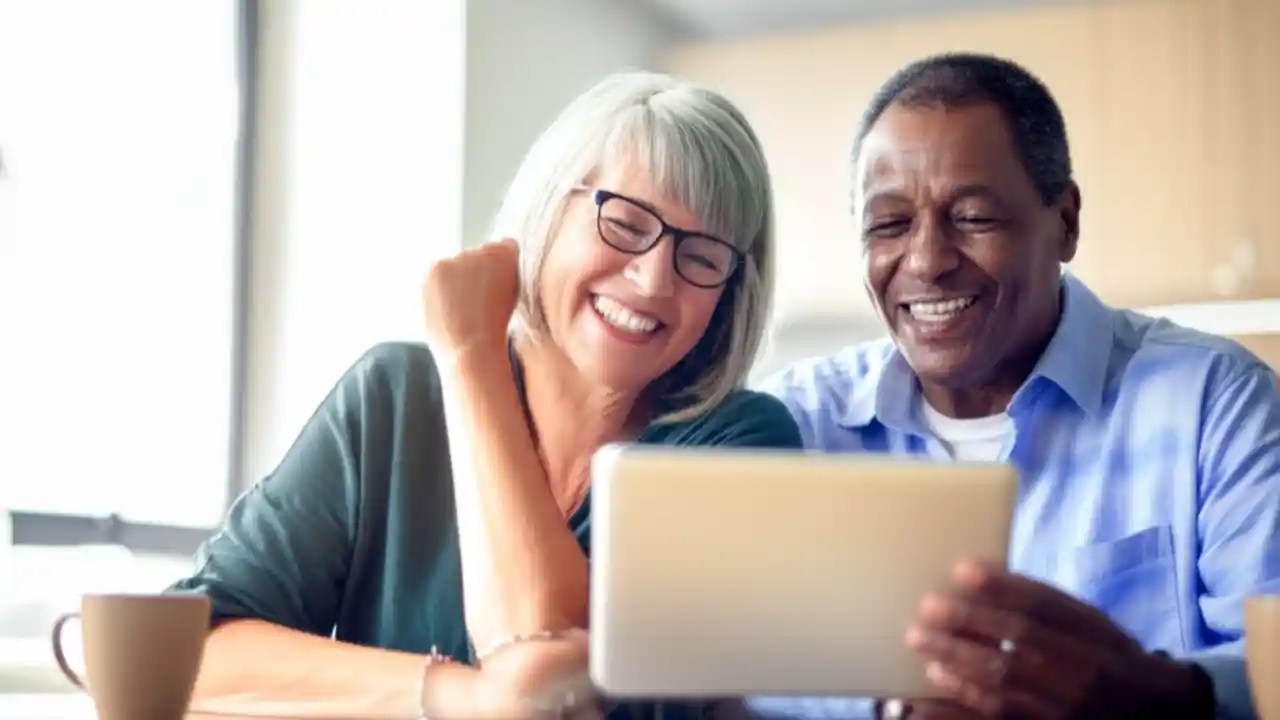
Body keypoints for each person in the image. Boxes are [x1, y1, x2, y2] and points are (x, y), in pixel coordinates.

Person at [170, 71, 802, 720]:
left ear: (730, 292)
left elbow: (545, 666)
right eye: (625, 222)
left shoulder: (742, 446)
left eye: (701, 255)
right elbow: (176, 657)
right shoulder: (394, 398)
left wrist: (471, 360)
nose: (651, 277)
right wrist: (454, 695)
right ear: (550, 209)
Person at [752, 53, 1280, 719]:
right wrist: (893, 708)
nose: (926, 261)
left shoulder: (1213, 402)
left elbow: (1273, 672)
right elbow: (732, 679)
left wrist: (1149, 693)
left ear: (1065, 221)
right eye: (888, 225)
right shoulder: (793, 425)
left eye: (972, 217)